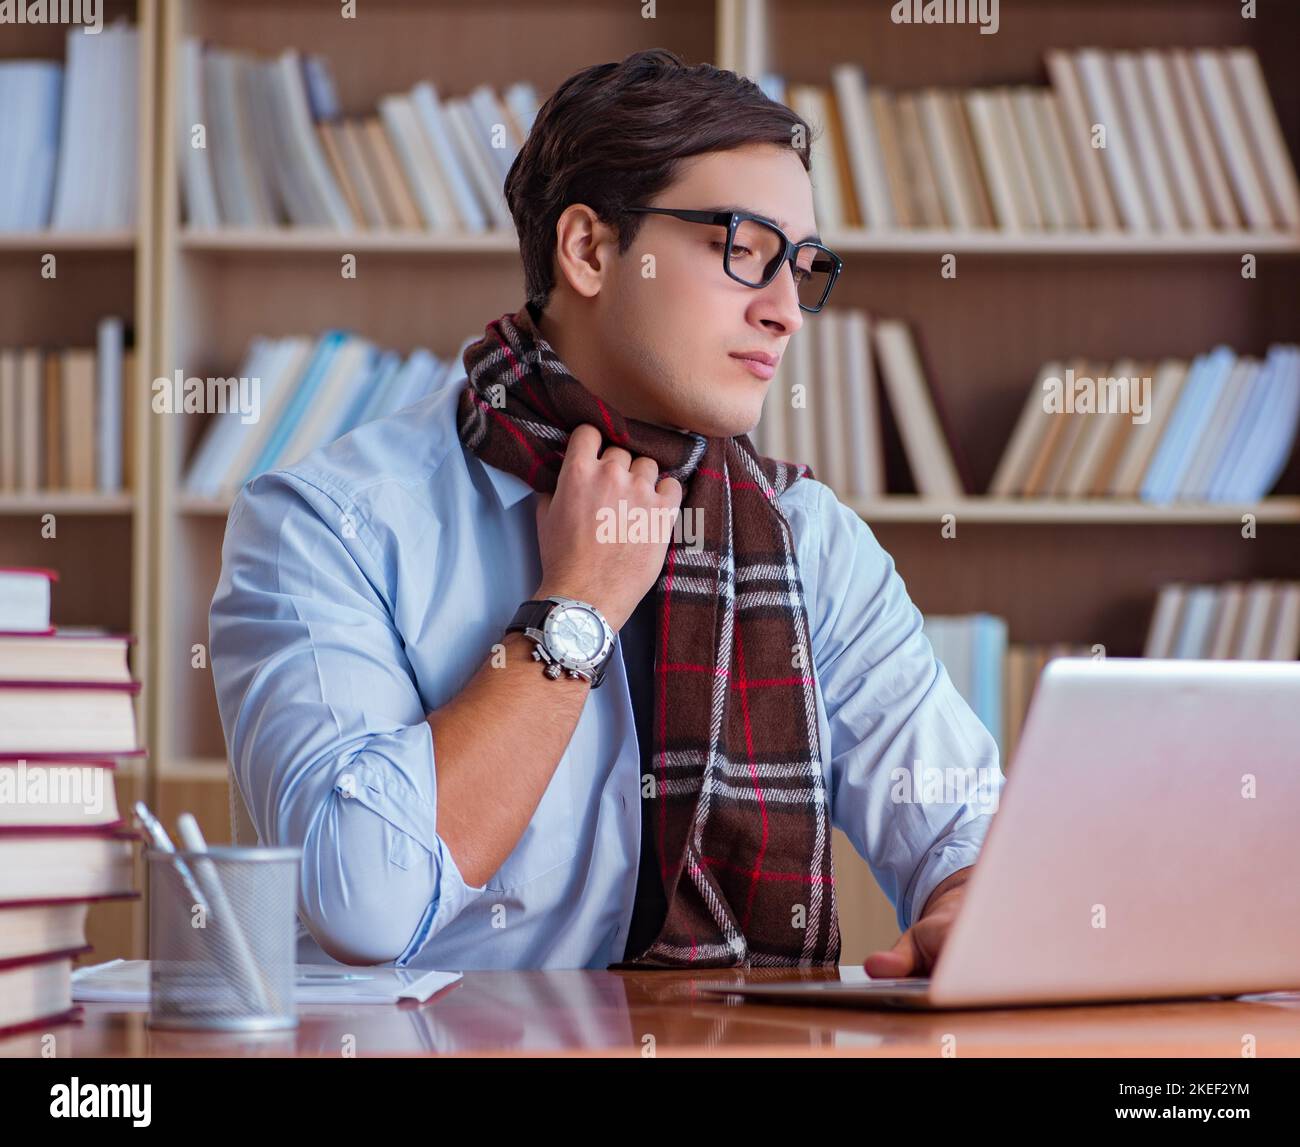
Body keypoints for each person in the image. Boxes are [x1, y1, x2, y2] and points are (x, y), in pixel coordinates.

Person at [209, 48, 1004, 973]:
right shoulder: (322, 527)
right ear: (589, 249)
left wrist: (972, 901)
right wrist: (576, 606)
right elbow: (363, 902)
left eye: (803, 265)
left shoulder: (806, 539)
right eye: (744, 250)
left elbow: (965, 830)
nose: (789, 310)